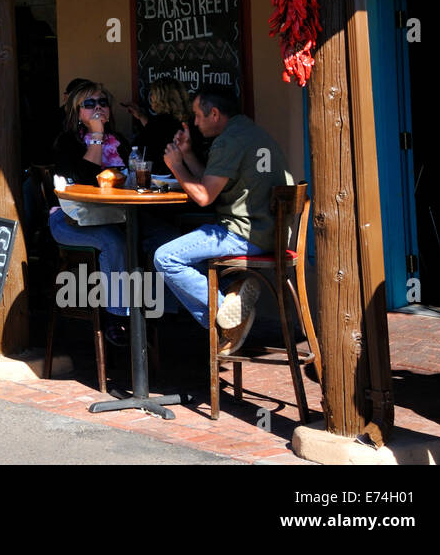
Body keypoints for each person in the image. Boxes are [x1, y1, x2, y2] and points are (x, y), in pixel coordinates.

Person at [151, 83, 291, 355]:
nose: (195, 122)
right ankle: (231, 296)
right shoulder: (250, 132)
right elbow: (212, 181)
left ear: (214, 113)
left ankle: (228, 320)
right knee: (190, 254)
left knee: (165, 257)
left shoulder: (228, 141)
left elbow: (204, 196)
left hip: (245, 234)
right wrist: (188, 154)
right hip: (268, 231)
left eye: (198, 115)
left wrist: (176, 165)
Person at [46, 82, 147, 345]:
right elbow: (85, 179)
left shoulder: (121, 141)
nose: (98, 108)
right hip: (69, 219)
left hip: (117, 216)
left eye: (102, 102)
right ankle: (116, 316)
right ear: (76, 112)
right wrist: (97, 135)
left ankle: (154, 314)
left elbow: (132, 176)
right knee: (113, 242)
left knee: (155, 239)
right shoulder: (66, 142)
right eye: (89, 104)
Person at [123, 77, 206, 165]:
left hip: (165, 175)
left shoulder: (158, 123)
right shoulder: (193, 120)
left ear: (159, 98)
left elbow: (137, 150)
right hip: (193, 173)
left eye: (153, 94)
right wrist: (141, 116)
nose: (151, 97)